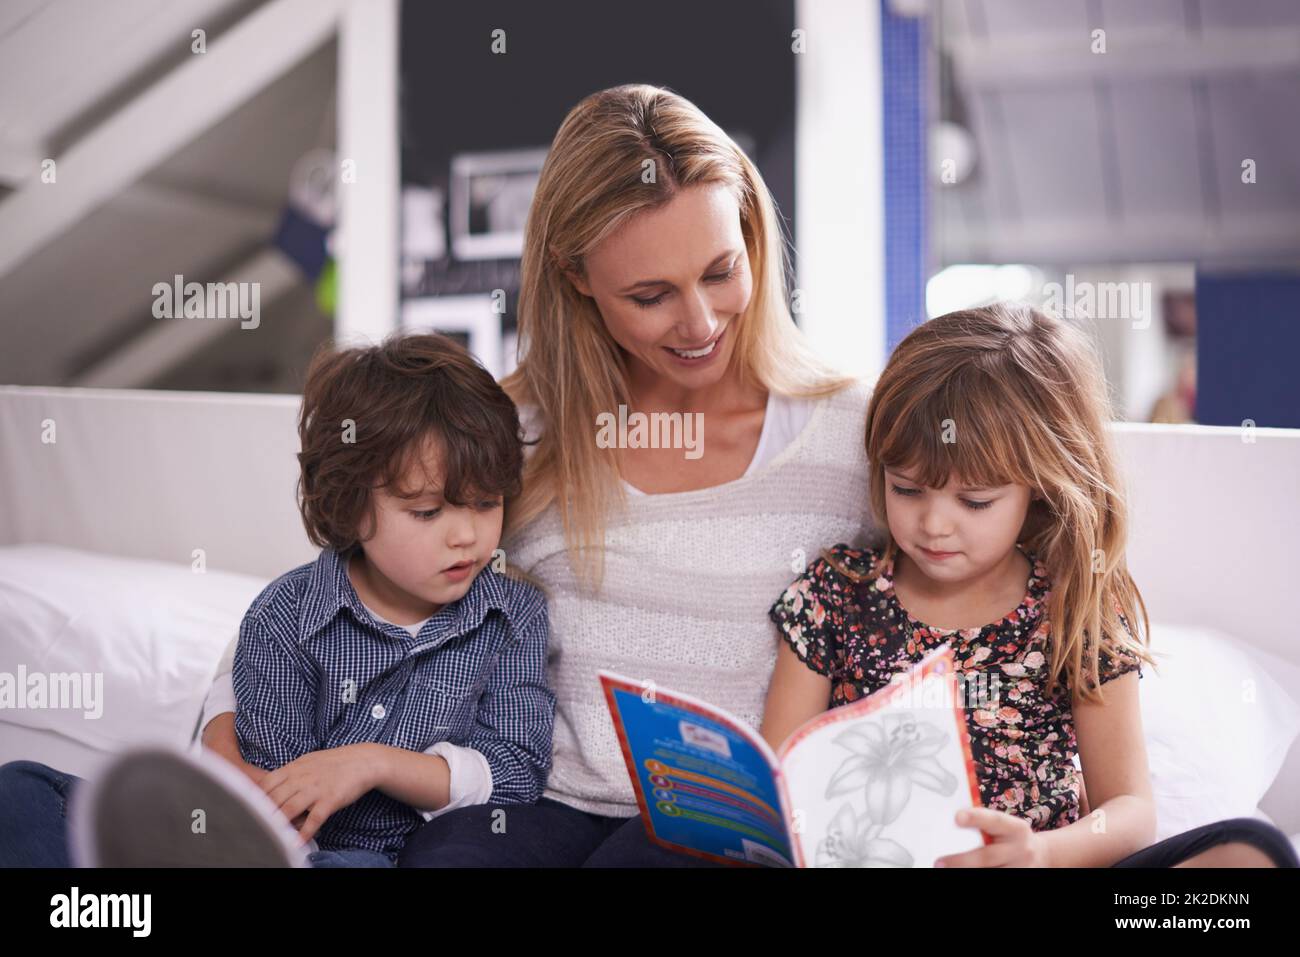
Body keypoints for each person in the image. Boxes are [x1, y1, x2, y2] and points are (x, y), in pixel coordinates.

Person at [760, 303, 1298, 868]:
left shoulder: (1074, 606)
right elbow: (776, 781)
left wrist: (1039, 853)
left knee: (1248, 854)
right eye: (907, 489)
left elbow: (1131, 809)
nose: (934, 524)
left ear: (1036, 488)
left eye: (975, 501)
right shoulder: (835, 595)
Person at [0, 333, 555, 867]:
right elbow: (270, 790)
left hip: (367, 860)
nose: (467, 535)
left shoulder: (515, 616)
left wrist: (374, 765)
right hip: (261, 843)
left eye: (486, 503)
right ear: (352, 507)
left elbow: (513, 772)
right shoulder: (285, 615)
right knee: (21, 791)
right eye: (428, 512)